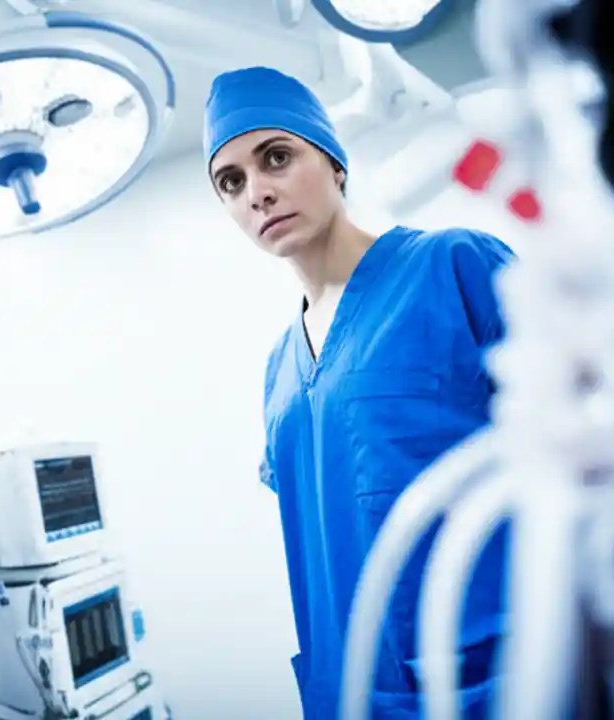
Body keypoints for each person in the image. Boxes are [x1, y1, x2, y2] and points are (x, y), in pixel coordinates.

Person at [203, 66, 513, 719]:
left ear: (335, 164)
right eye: (230, 182)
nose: (256, 192)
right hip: (349, 693)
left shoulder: (454, 267)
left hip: (494, 684)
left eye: (276, 158)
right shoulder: (280, 370)